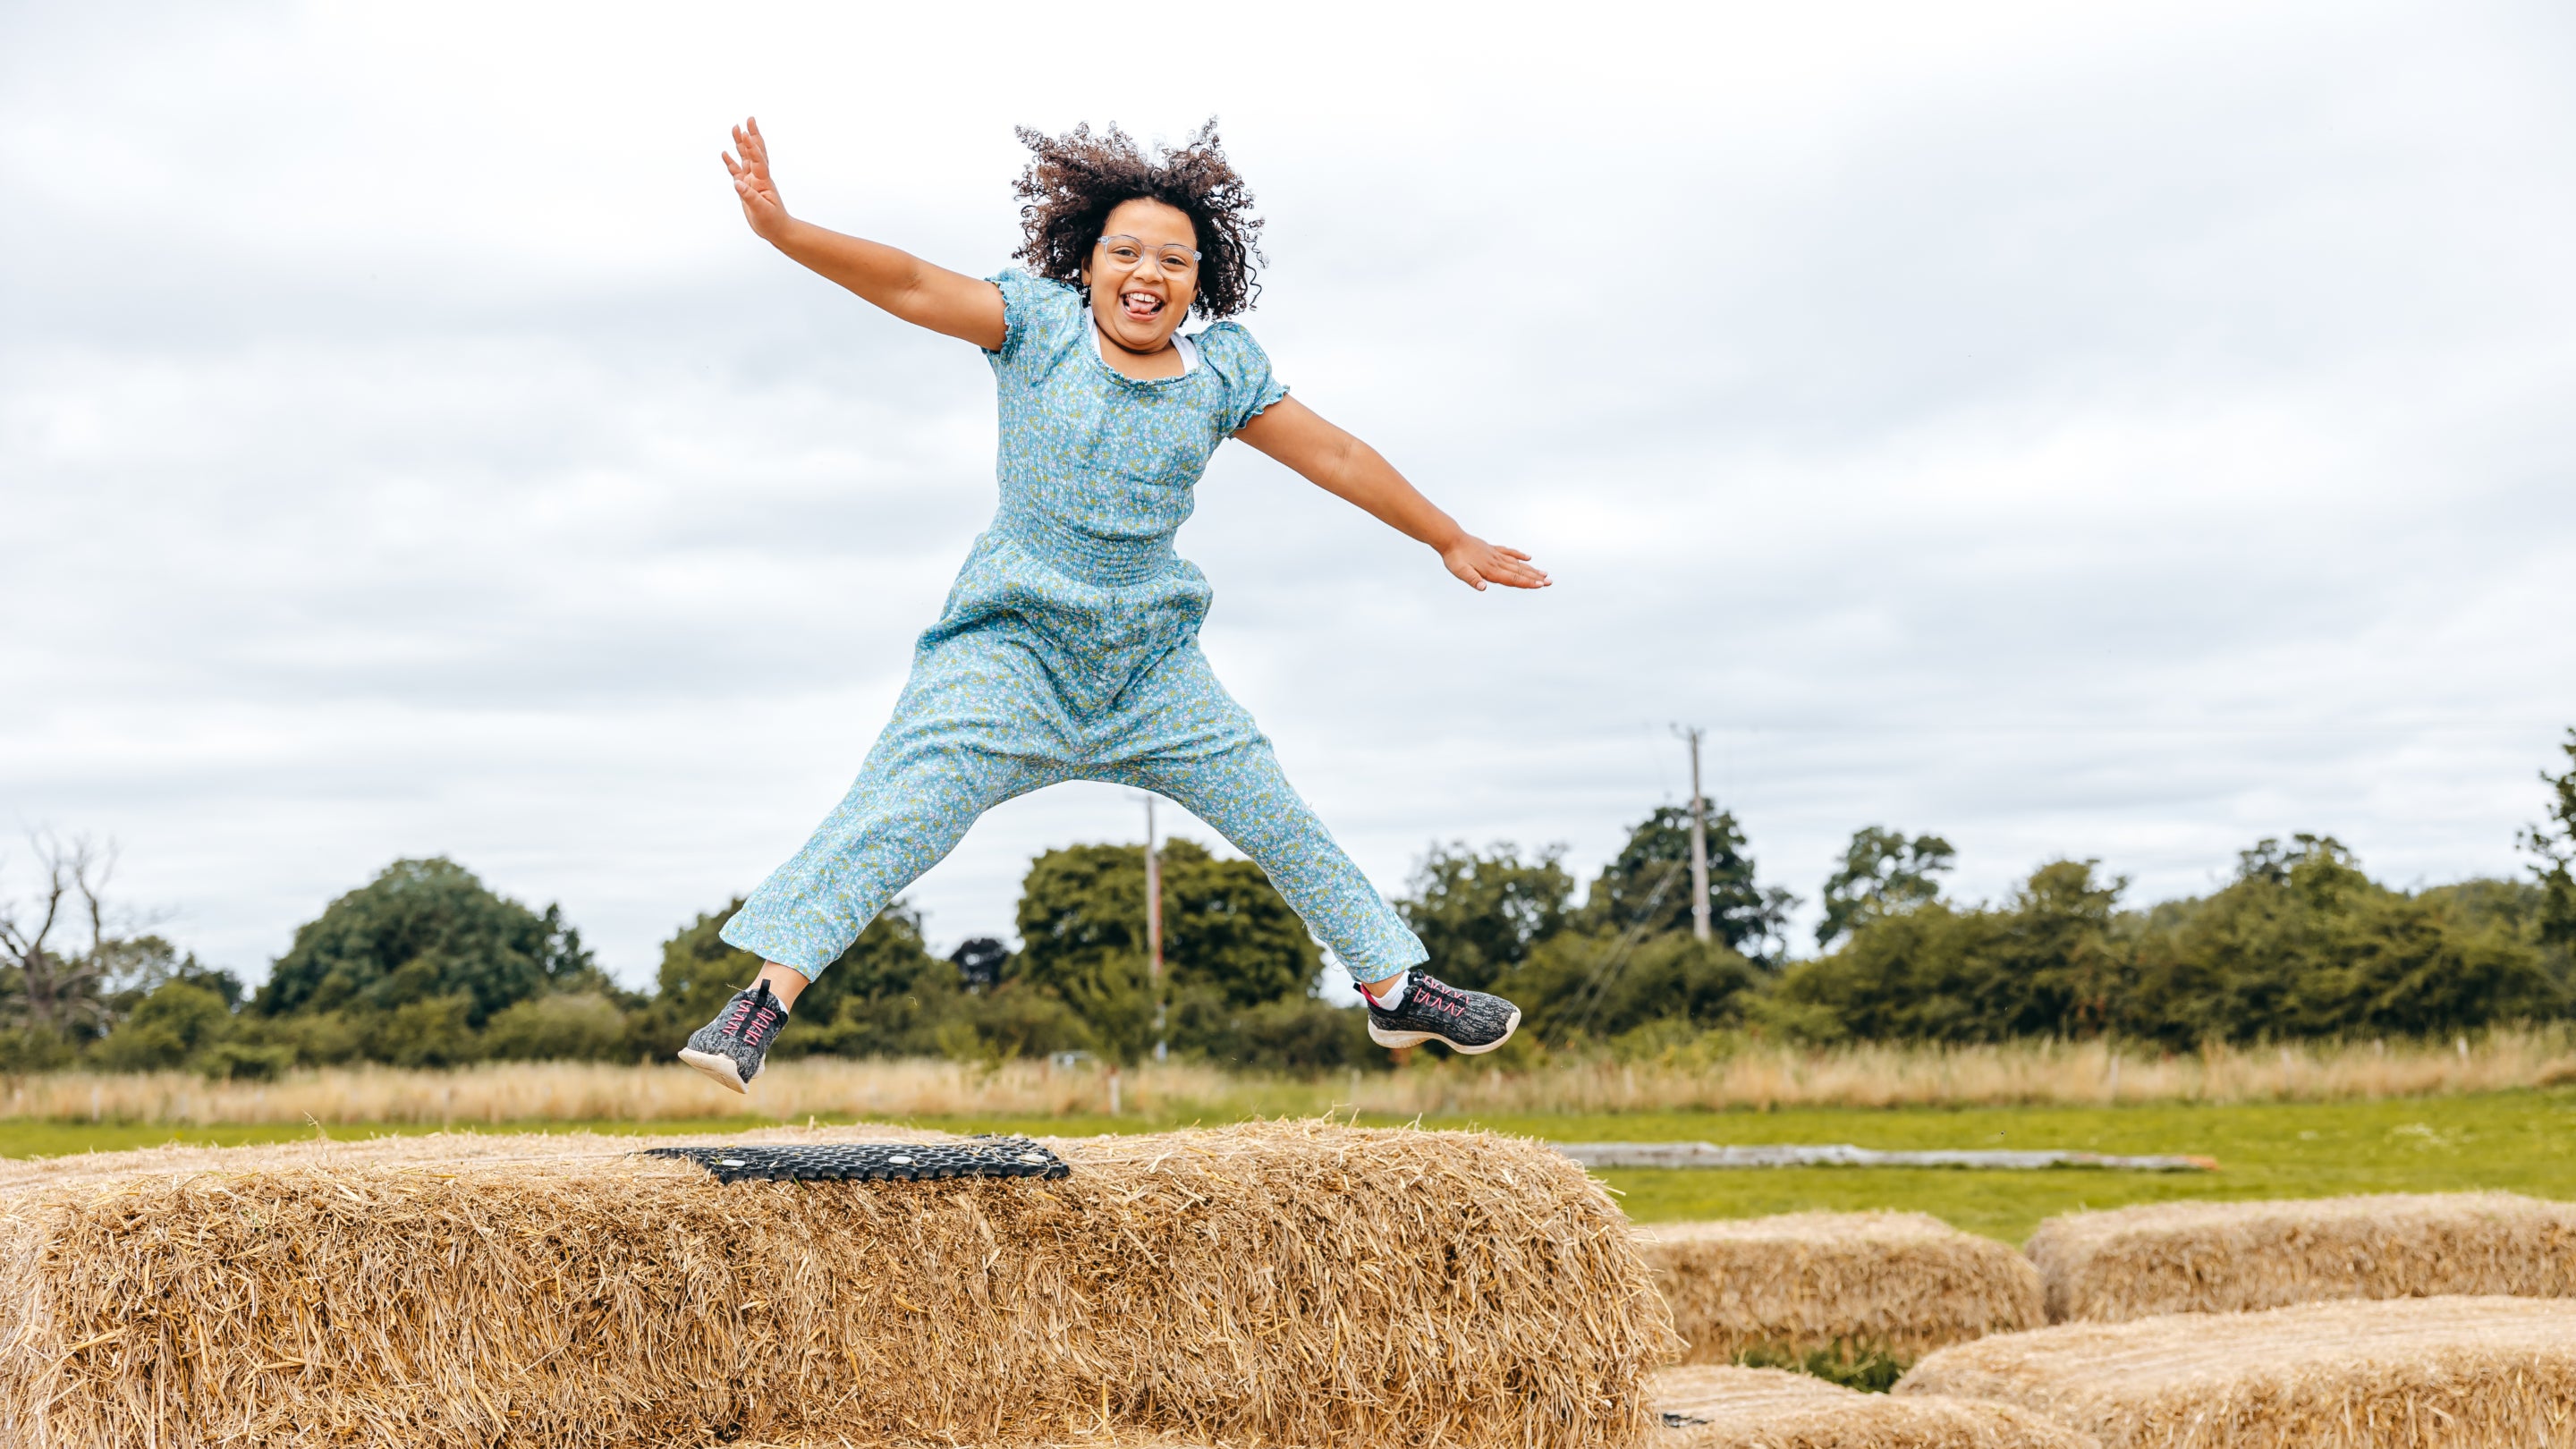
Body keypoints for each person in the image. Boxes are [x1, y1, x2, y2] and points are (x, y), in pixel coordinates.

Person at [681, 118, 1545, 1093]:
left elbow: (1337, 454)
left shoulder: (1222, 375)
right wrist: (788, 233)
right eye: (1125, 251)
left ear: (1199, 279)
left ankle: (1394, 989)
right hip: (1012, 648)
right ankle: (762, 1001)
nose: (1148, 272)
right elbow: (913, 282)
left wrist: (1446, 535)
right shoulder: (1035, 328)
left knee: (1276, 811)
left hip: (1148, 664)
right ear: (1085, 264)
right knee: (901, 807)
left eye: (1174, 259)